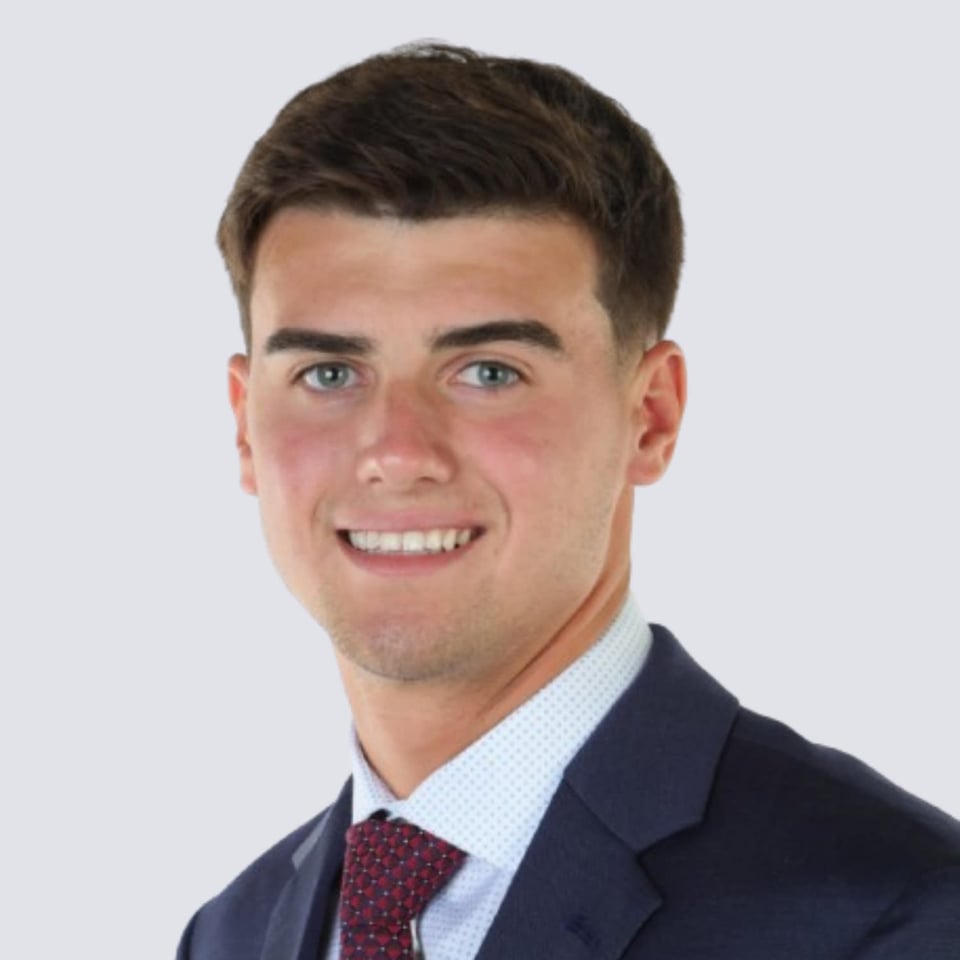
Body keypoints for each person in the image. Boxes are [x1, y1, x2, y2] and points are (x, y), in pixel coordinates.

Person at [178, 42, 960, 959]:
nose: (397, 453)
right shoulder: (232, 933)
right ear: (245, 425)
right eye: (328, 372)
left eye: (487, 371)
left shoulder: (894, 914)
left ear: (651, 416)